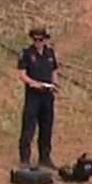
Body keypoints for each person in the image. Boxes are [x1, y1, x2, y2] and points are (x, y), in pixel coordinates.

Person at [16, 26, 60, 169]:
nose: (38, 43)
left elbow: (54, 70)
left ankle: (45, 157)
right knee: (29, 126)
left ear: (45, 40)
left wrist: (54, 84)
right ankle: (25, 158)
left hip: (47, 95)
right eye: (35, 40)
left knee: (46, 126)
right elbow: (22, 74)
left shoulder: (50, 53)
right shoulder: (27, 53)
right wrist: (33, 83)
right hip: (33, 95)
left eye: (40, 40)